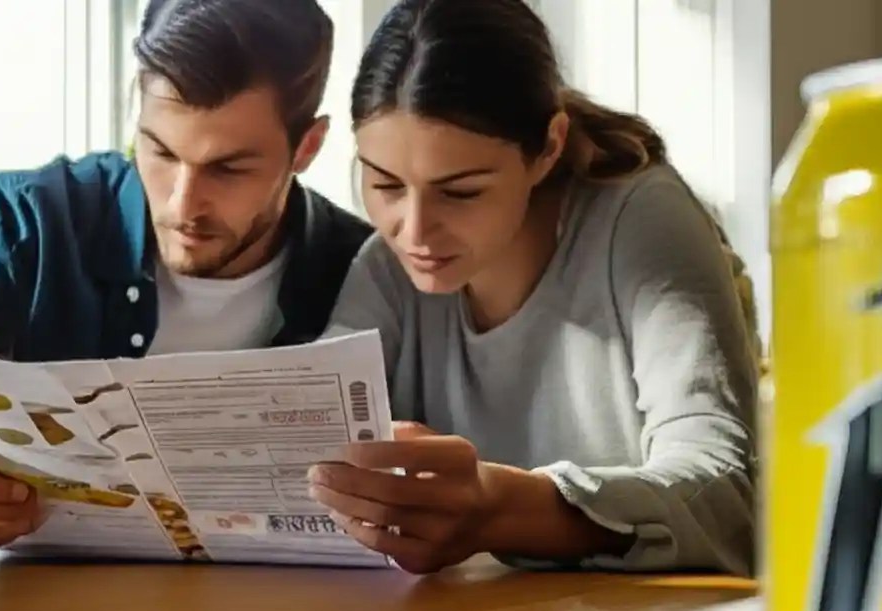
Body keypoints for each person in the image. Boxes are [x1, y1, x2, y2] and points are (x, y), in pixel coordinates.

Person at [0, 0, 371, 571]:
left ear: (308, 147)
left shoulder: (364, 270)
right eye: (159, 150)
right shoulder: (37, 220)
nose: (181, 205)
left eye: (228, 168)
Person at [311, 0, 761, 575]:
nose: (413, 231)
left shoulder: (640, 219)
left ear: (548, 146)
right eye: (384, 184)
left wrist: (503, 508)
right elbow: (312, 421)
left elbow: (723, 497)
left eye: (462, 191)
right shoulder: (387, 263)